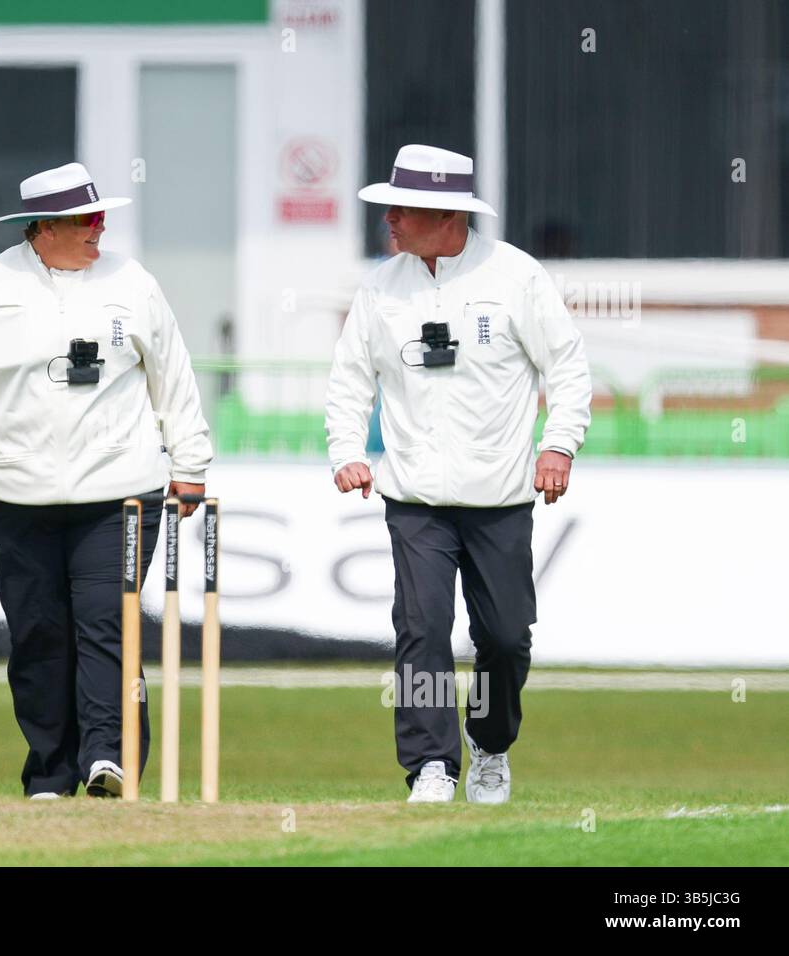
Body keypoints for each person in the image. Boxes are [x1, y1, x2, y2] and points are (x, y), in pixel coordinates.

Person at [0, 162, 212, 799]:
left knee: (108, 624)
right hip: (11, 494)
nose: (98, 228)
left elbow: (173, 377)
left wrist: (190, 465)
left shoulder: (132, 282)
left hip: (121, 489)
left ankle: (108, 756)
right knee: (39, 634)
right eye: (85, 219)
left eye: (101, 215)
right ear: (42, 228)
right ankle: (50, 771)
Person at [325, 145, 592, 804]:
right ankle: (431, 765)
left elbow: (568, 369)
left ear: (443, 215)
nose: (388, 220)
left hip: (500, 496)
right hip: (414, 496)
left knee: (504, 637)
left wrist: (557, 446)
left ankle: (490, 744)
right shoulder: (380, 287)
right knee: (422, 629)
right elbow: (349, 379)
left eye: (401, 209)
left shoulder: (515, 277)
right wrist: (346, 450)